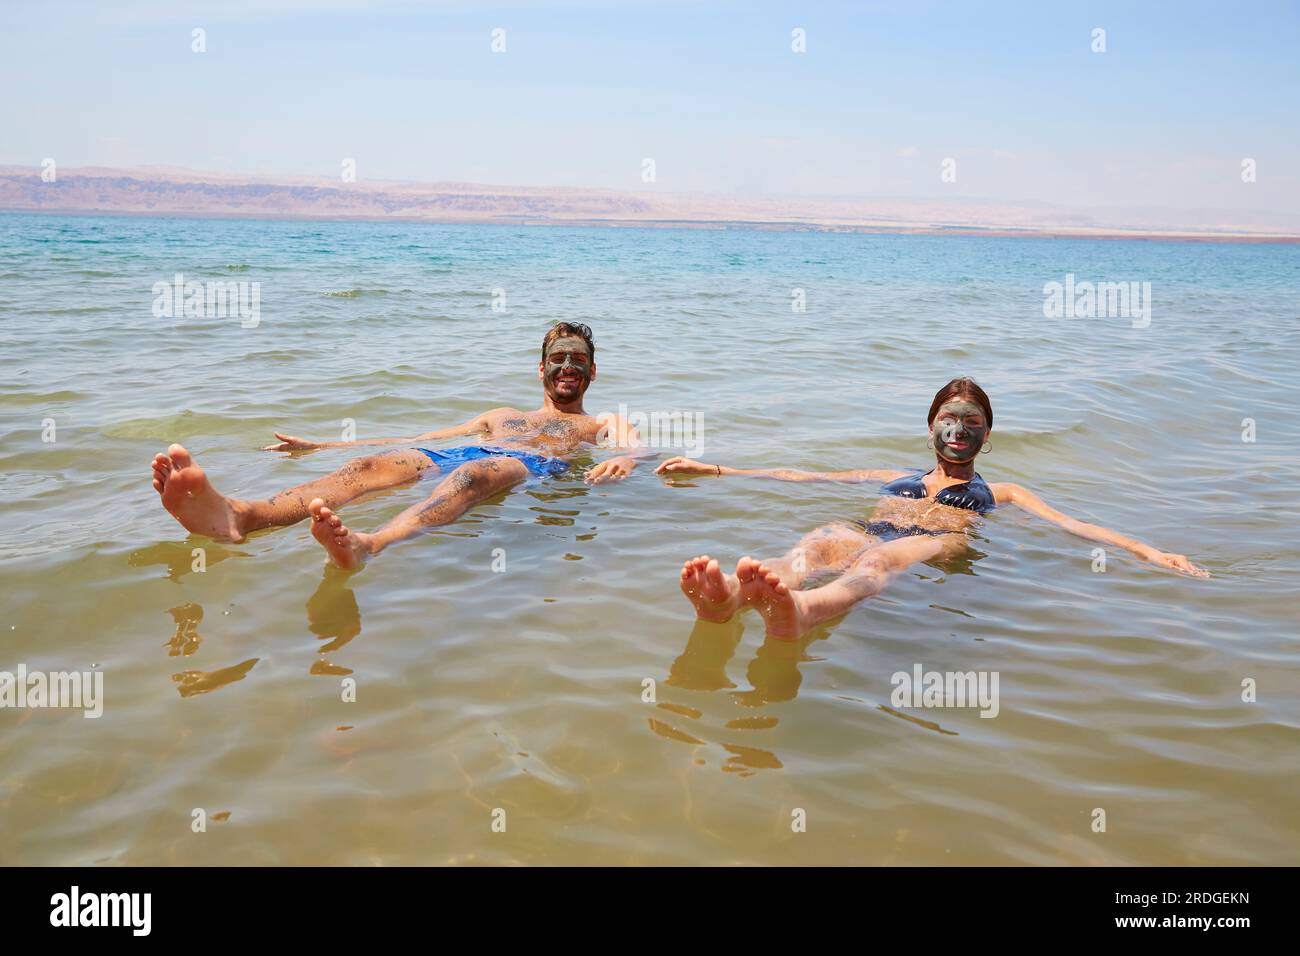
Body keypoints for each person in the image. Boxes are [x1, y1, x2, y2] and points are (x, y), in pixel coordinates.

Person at [655, 377, 1207, 640]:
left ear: (987, 435)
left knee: (878, 563)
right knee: (820, 540)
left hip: (937, 544)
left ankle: (805, 610)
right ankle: (730, 595)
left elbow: (1074, 524)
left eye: (972, 422)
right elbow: (802, 473)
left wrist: (1149, 551)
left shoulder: (1007, 491)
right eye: (949, 417)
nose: (959, 429)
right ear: (928, 427)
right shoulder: (891, 477)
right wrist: (718, 468)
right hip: (874, 527)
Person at [151, 322, 646, 569]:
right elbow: (422, 439)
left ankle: (370, 545)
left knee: (472, 477)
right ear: (541, 368)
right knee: (366, 467)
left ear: (592, 372)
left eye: (577, 361)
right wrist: (318, 444)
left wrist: (624, 457)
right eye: (557, 359)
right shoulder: (498, 416)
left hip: (532, 467)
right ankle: (242, 514)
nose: (567, 368)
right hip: (463, 452)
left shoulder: (602, 421)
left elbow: (638, 448)